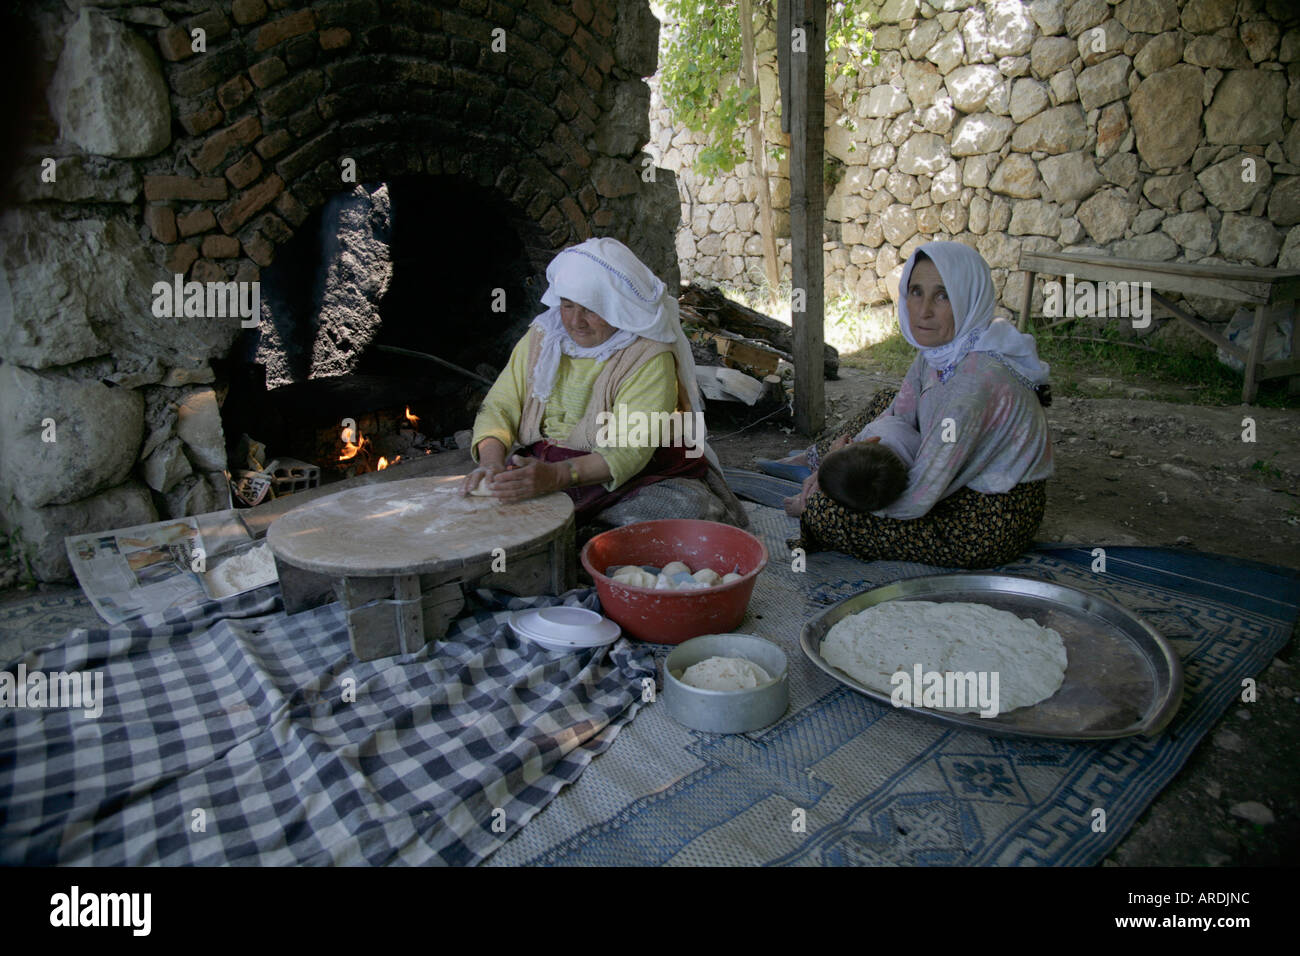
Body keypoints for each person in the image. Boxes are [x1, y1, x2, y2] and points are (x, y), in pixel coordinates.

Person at [789, 241, 1054, 569]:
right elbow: (898, 412)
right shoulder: (945, 349)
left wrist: (830, 489)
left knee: (826, 514)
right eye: (915, 291)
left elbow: (916, 499)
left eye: (942, 296)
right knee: (886, 401)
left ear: (968, 298)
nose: (923, 310)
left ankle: (819, 470)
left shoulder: (973, 387)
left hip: (987, 515)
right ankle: (816, 458)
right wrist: (844, 456)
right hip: (946, 470)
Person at [461, 237, 747, 529]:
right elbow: (499, 405)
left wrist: (557, 476)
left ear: (618, 307)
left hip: (626, 474)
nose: (575, 322)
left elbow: (629, 447)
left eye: (590, 309)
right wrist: (491, 463)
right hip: (544, 466)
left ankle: (583, 535)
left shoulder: (647, 356)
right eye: (567, 305)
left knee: (685, 508)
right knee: (469, 499)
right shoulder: (543, 338)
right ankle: (573, 533)